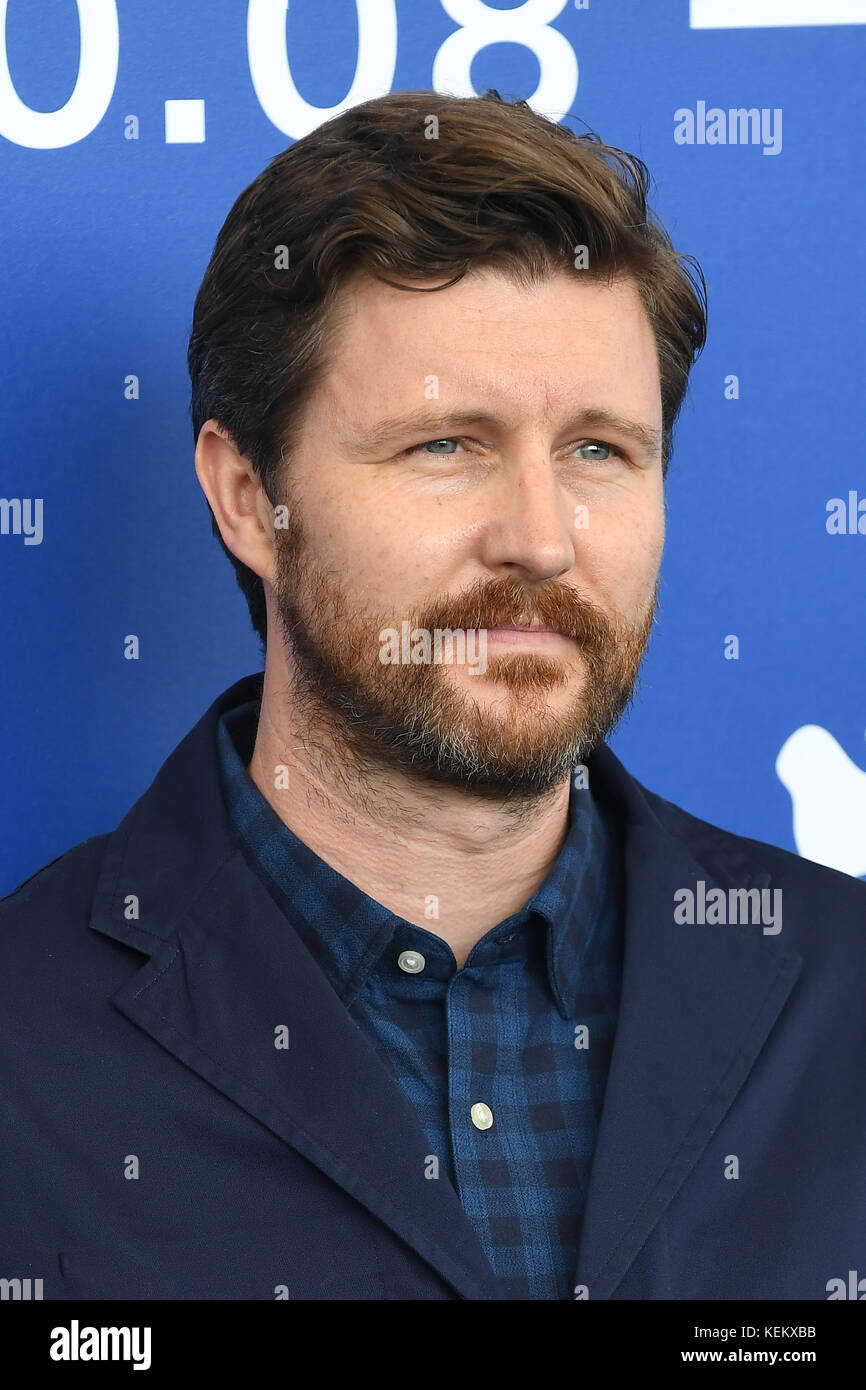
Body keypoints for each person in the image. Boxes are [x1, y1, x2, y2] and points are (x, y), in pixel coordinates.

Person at [2, 90, 864, 1302]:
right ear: (250, 498)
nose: (541, 540)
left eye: (598, 450)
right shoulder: (23, 1047)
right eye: (444, 446)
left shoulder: (839, 992)